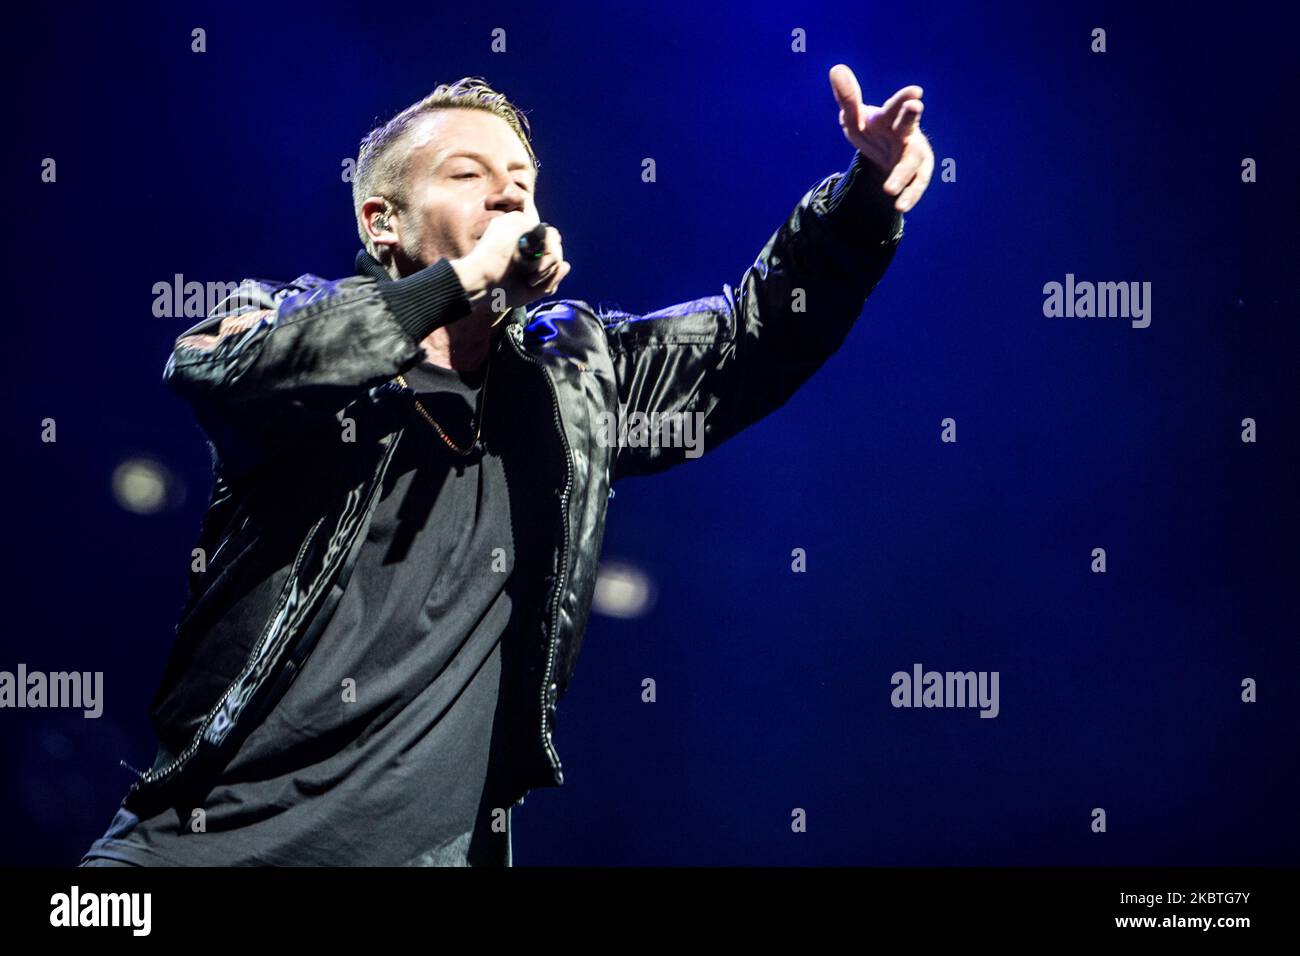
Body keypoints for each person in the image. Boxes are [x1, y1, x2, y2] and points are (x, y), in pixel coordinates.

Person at [78, 66, 933, 866]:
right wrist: (462, 277)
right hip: (205, 847)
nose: (511, 188)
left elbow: (748, 343)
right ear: (382, 223)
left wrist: (859, 207)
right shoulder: (283, 323)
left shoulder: (573, 380)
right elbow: (235, 370)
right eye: (466, 172)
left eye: (522, 173)